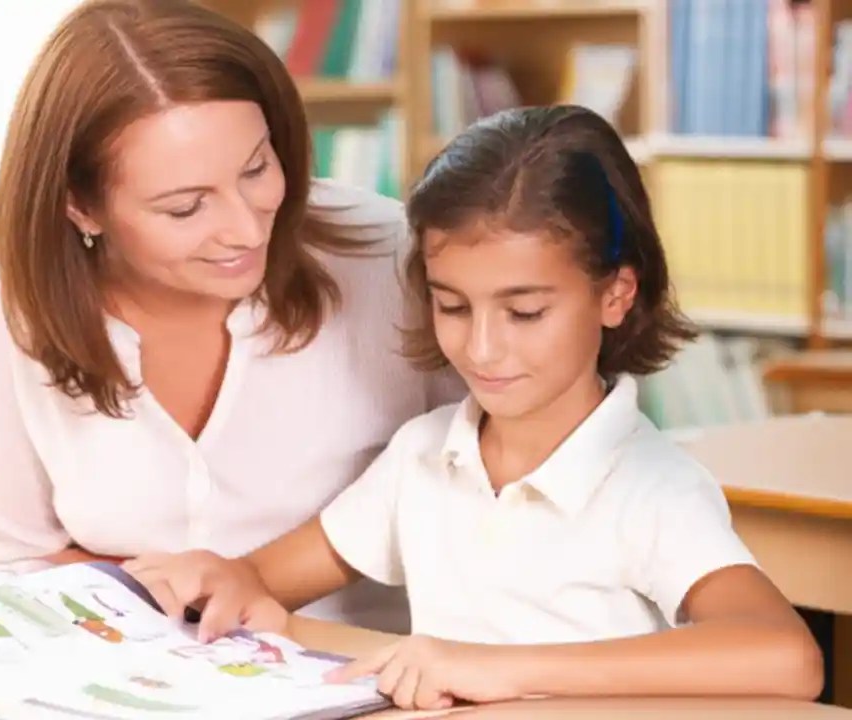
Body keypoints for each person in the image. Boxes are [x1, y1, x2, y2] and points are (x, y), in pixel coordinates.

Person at [122, 105, 825, 710]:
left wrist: (491, 668)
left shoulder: (649, 486)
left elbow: (786, 657)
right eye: (452, 305)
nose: (482, 348)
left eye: (524, 312)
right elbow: (262, 583)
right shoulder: (424, 454)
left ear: (615, 294)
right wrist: (219, 576)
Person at [0, 0, 463, 633]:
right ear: (80, 207)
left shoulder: (389, 253)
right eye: (185, 208)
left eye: (256, 169)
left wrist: (253, 587)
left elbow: (503, 486)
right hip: (122, 677)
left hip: (376, 674)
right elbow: (14, 557)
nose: (245, 229)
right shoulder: (4, 287)